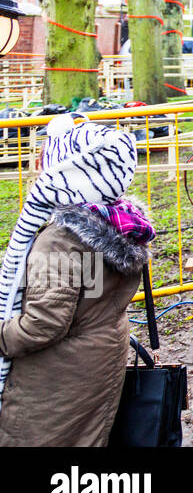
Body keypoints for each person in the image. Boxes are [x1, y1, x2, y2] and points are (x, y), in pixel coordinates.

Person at [0, 115, 151, 445]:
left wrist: (2, 334)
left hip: (59, 375)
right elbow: (88, 291)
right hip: (97, 355)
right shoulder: (110, 224)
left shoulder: (61, 241)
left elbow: (43, 325)